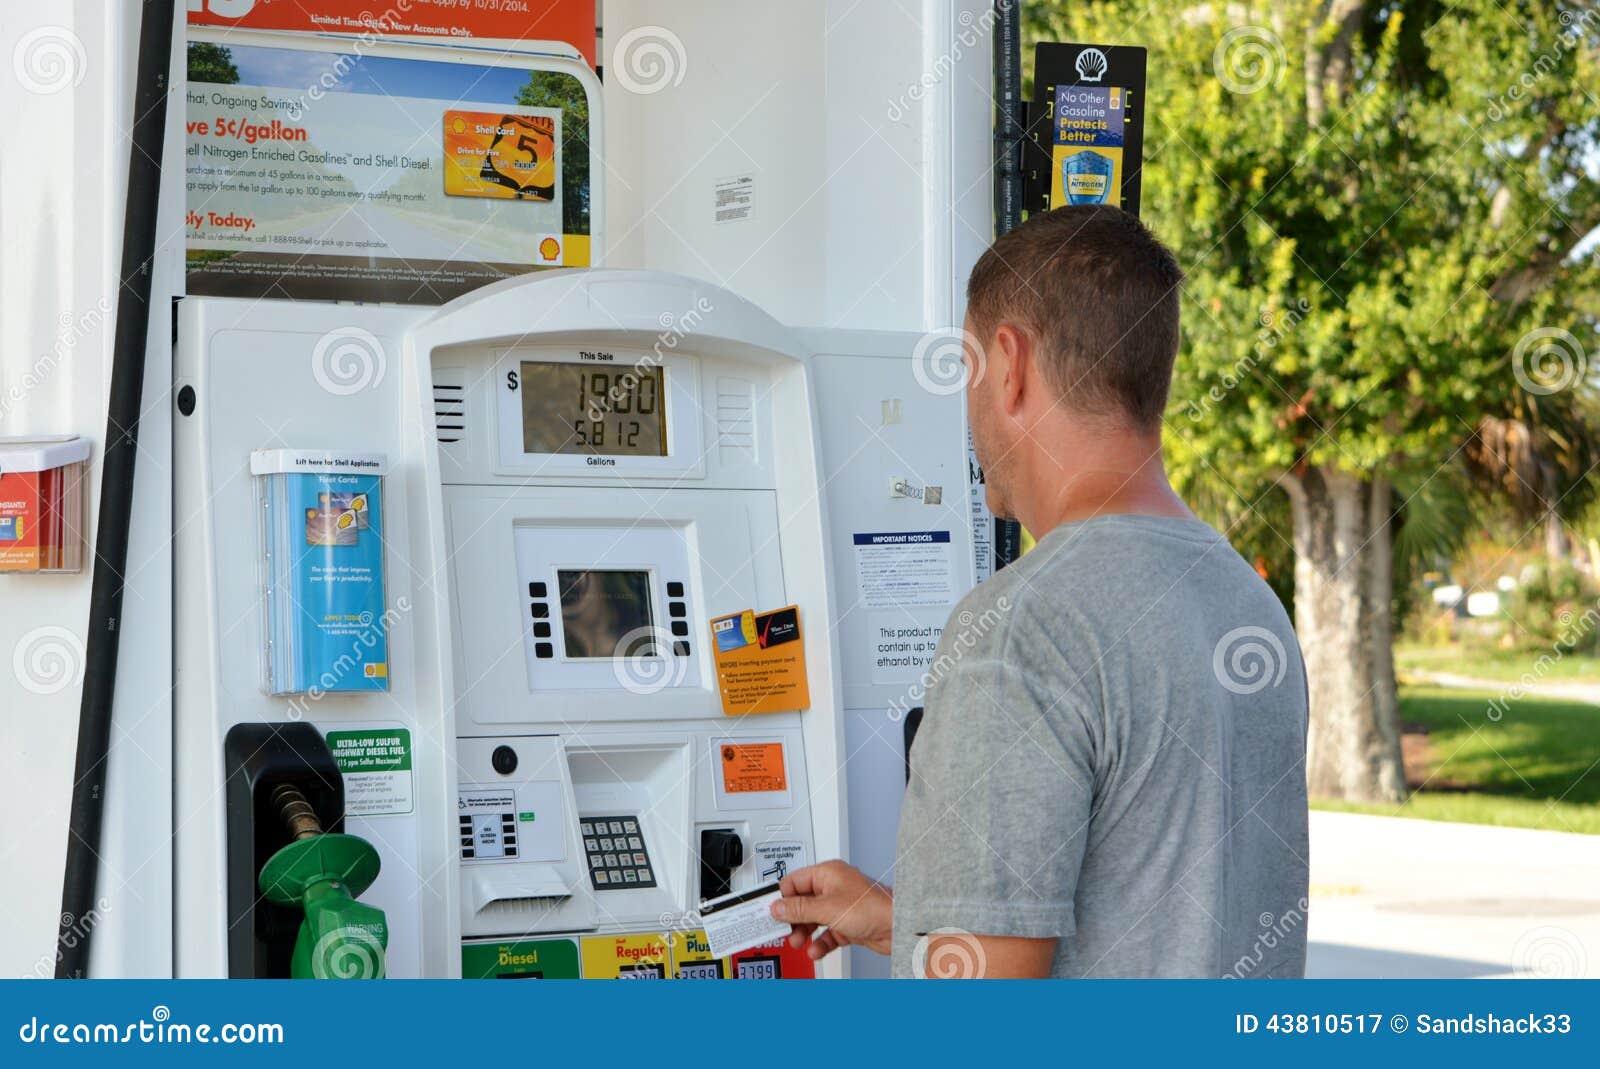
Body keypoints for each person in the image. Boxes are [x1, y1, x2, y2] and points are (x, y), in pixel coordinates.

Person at [772, 204, 1310, 978]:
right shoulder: (1245, 602)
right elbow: (1147, 910)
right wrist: (914, 921)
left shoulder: (1022, 626)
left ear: (1010, 364)